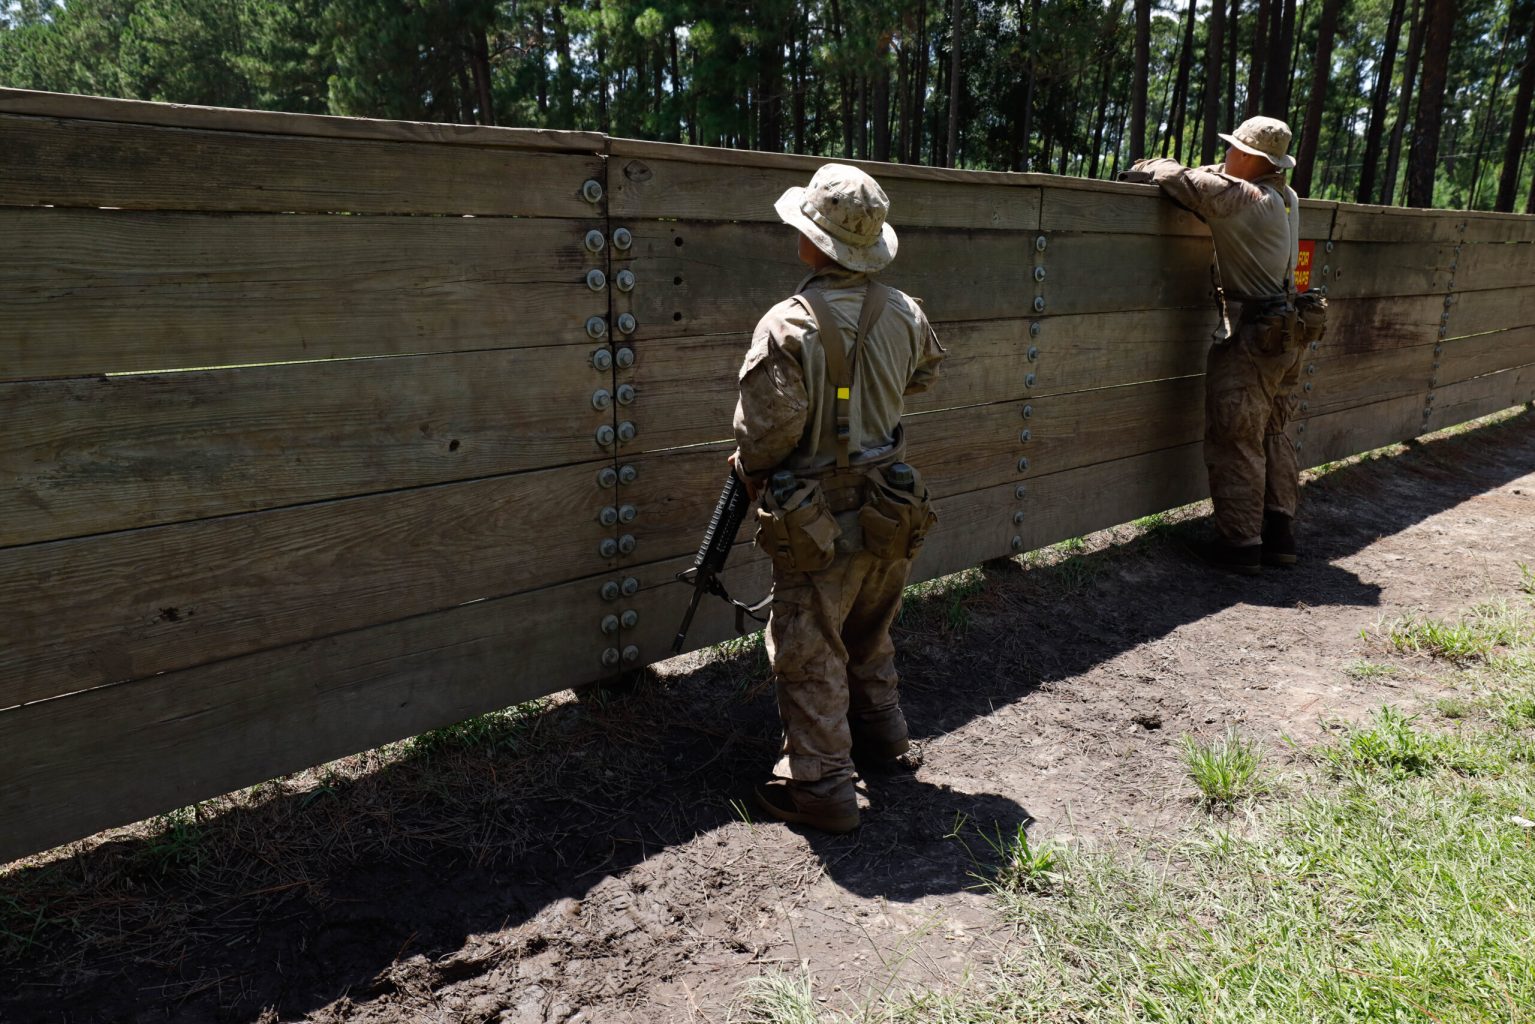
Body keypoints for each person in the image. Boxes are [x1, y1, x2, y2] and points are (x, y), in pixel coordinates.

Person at [730, 163, 946, 833]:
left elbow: (769, 433)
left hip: (815, 512)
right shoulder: (906, 311)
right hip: (891, 501)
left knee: (809, 642)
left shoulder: (787, 323)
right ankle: (882, 734)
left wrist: (750, 467)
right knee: (869, 623)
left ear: (811, 242)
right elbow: (924, 376)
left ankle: (820, 785)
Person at [1121, 116, 1322, 574]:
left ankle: (1240, 545)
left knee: (1235, 438)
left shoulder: (1245, 197)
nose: (1227, 155)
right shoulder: (1284, 196)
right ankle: (1279, 535)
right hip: (1286, 331)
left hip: (1254, 334)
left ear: (1251, 159)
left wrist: (1151, 164)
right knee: (1271, 432)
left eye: (1233, 149)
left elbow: (1183, 181)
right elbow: (1218, 177)